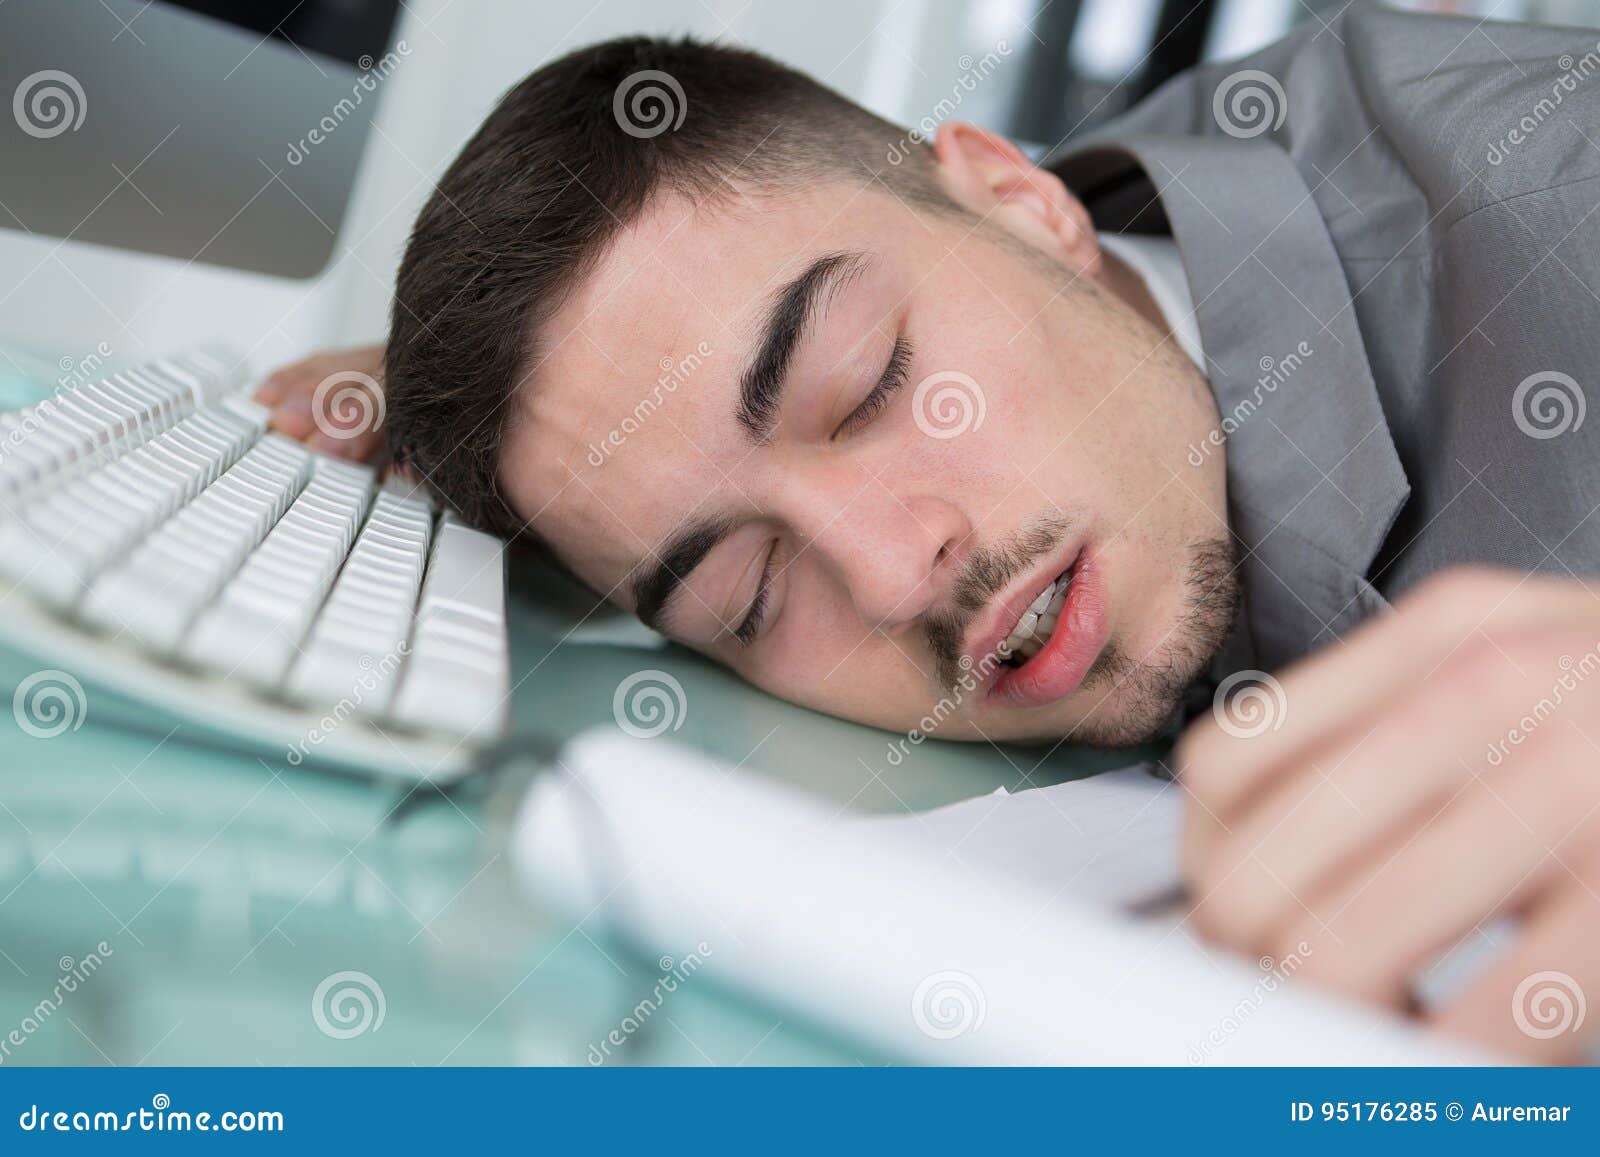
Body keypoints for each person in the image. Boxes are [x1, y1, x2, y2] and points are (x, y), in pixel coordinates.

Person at [257, 6, 1600, 1062]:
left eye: (870, 386)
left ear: (1023, 198)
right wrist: (560, 444)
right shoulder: (995, 264)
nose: (896, 574)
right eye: (748, 596)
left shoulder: (1558, 205)